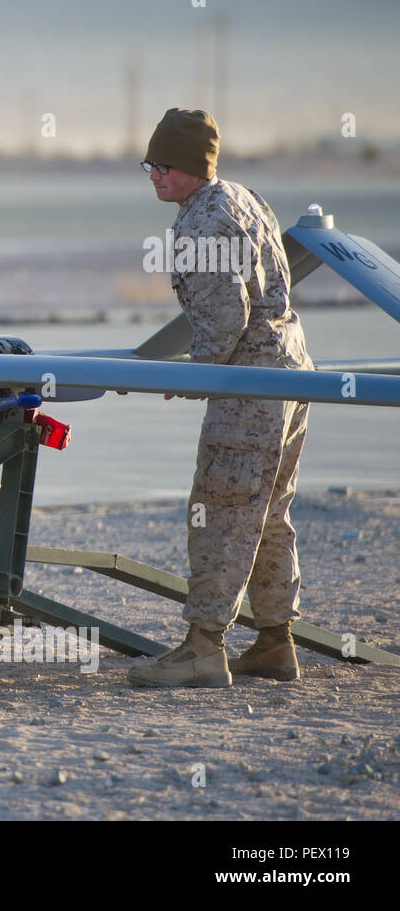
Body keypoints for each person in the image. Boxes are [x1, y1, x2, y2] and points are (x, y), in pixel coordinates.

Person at [128, 108, 313, 688]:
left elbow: (223, 323)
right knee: (269, 512)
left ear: (189, 168)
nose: (154, 175)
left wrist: (190, 376)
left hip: (249, 388)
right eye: (149, 164)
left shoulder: (201, 223)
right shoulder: (242, 196)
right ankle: (274, 643)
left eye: (163, 166)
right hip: (291, 371)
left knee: (223, 510)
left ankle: (204, 646)